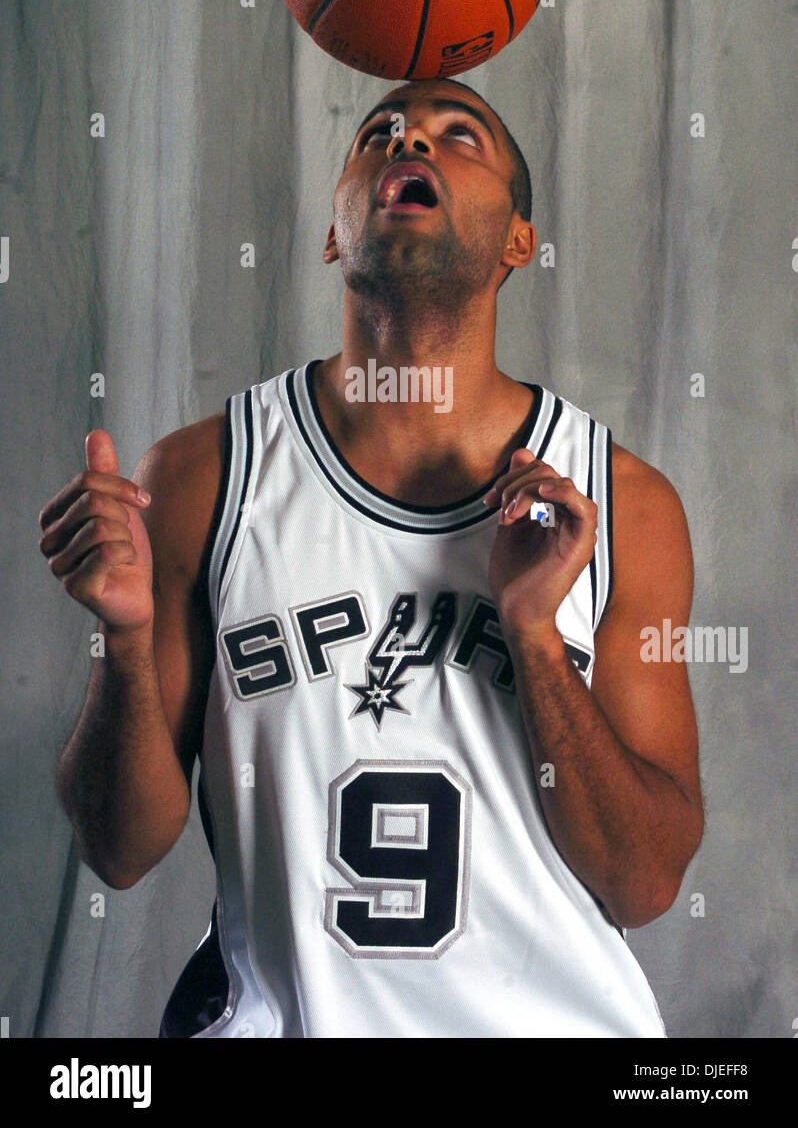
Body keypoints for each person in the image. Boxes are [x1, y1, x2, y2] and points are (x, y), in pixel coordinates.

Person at [38, 76, 703, 1038]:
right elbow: (119, 849)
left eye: (458, 135)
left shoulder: (621, 502)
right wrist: (125, 641)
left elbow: (643, 883)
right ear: (332, 232)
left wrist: (537, 639)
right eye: (379, 133)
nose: (410, 143)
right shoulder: (203, 476)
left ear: (521, 239)